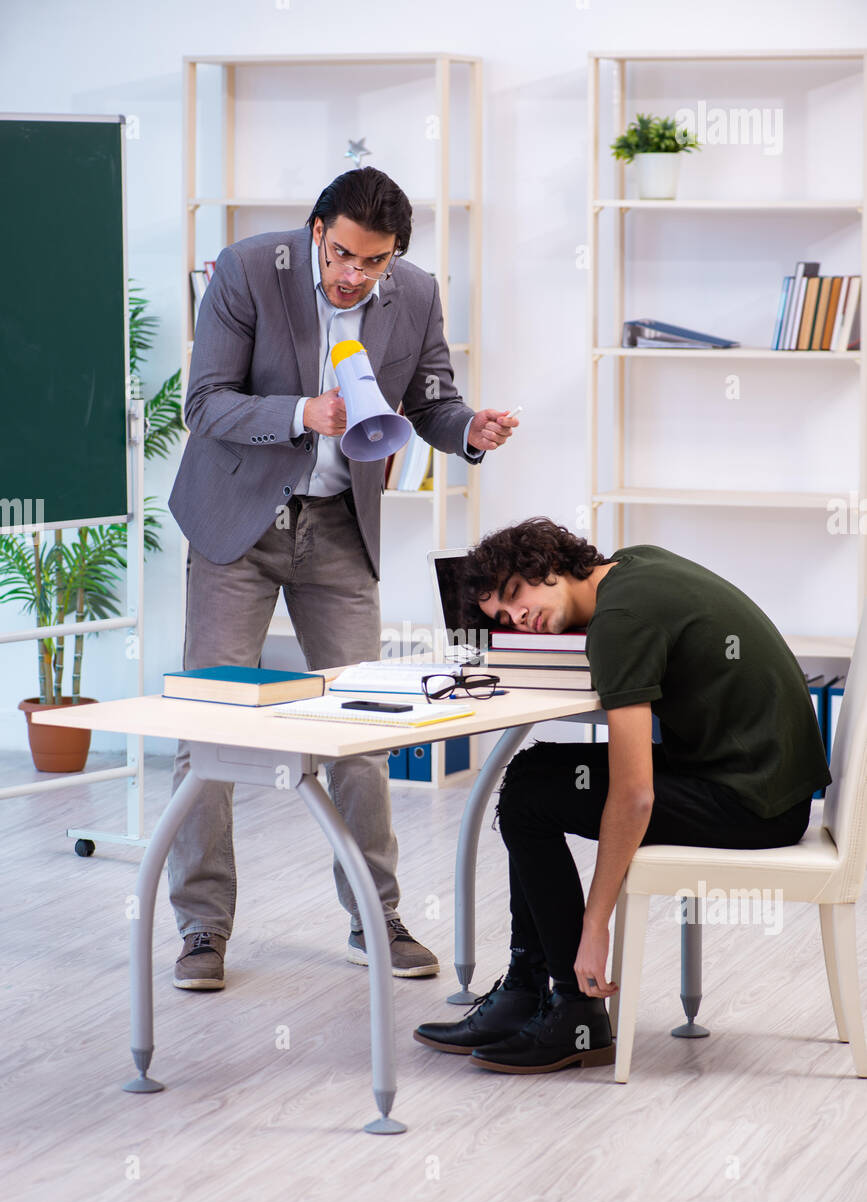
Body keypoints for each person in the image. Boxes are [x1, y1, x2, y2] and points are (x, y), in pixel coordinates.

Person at [166, 166, 519, 991]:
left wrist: (470, 428)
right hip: (236, 525)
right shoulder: (249, 268)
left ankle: (375, 915)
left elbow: (431, 398)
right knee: (210, 729)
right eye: (344, 255)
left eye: (375, 262)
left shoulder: (417, 293)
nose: (355, 276)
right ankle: (201, 929)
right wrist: (300, 413)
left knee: (365, 728)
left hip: (336, 532)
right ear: (316, 227)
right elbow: (204, 403)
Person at [414, 518, 831, 1072]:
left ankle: (573, 1007)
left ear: (549, 562)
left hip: (751, 805)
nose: (520, 618)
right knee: (534, 772)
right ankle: (526, 988)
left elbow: (635, 794)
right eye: (504, 619)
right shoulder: (634, 565)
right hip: (757, 777)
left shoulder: (620, 623)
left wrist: (595, 925)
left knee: (530, 799)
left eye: (517, 594)